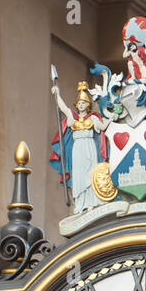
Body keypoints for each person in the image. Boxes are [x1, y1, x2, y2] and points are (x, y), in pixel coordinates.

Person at [51, 80, 105, 214]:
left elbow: (102, 127)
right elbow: (62, 107)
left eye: (83, 103)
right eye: (79, 103)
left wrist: (112, 116)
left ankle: (92, 203)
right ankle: (81, 204)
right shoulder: (73, 117)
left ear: (87, 105)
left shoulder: (92, 118)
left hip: (89, 146)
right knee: (79, 175)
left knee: (90, 173)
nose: (81, 105)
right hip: (78, 148)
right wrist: (57, 94)